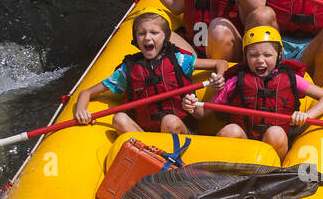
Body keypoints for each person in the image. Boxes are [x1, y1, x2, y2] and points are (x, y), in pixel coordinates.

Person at [182, 25, 323, 161]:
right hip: (245, 143)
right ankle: (227, 170)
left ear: (279, 56)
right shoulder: (235, 81)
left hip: (274, 143)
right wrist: (191, 105)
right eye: (253, 55)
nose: (260, 60)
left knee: (276, 132)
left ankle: (273, 172)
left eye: (267, 55)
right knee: (231, 130)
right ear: (246, 57)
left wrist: (308, 115)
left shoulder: (291, 78)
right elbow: (203, 112)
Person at [74, 10, 226, 135]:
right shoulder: (128, 69)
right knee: (119, 119)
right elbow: (86, 93)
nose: (147, 37)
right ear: (136, 39)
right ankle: (150, 155)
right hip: (146, 138)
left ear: (165, 37)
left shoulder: (180, 60)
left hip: (180, 132)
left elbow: (221, 63)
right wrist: (81, 111)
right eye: (142, 33)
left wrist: (219, 76)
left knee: (169, 121)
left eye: (154, 32)